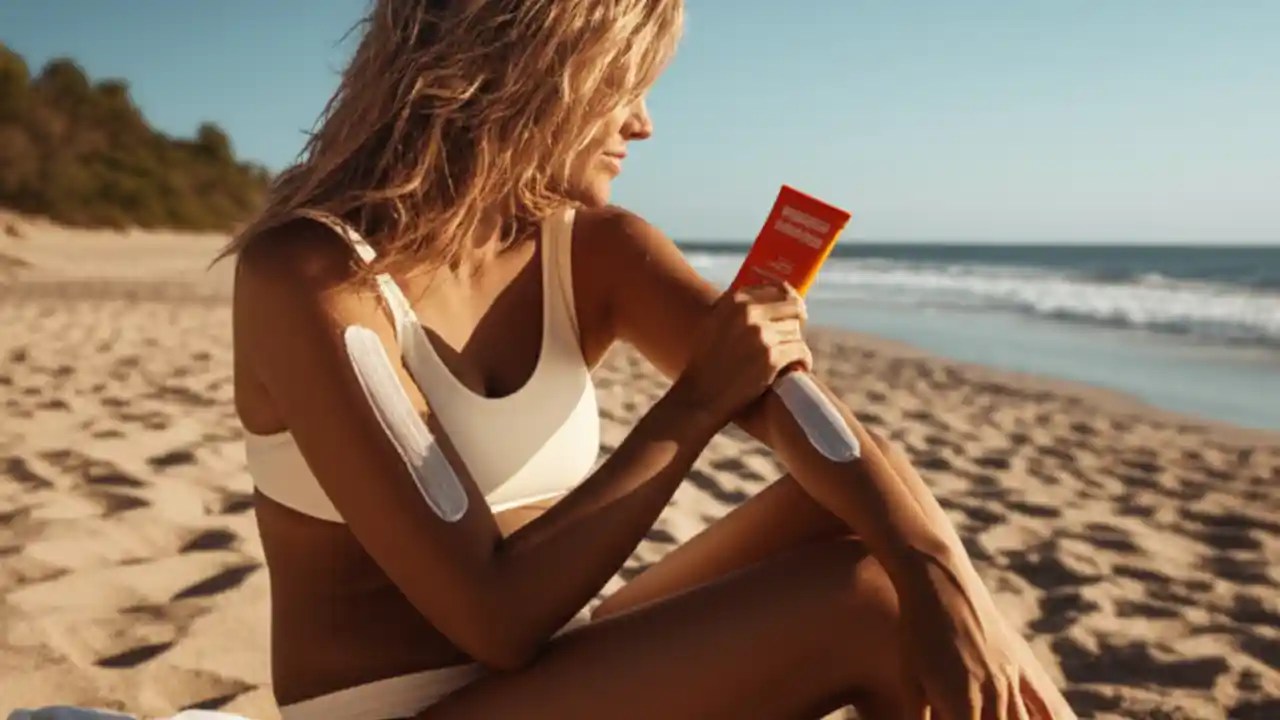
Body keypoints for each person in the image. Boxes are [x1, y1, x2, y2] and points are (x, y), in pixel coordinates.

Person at [220, 1, 1075, 718]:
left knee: (871, 524)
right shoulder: (311, 277)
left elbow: (810, 422)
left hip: (559, 676)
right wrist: (696, 402)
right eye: (622, 86)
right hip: (399, 705)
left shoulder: (596, 250)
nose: (643, 122)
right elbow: (495, 617)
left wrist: (944, 575)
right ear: (525, 73)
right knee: (864, 598)